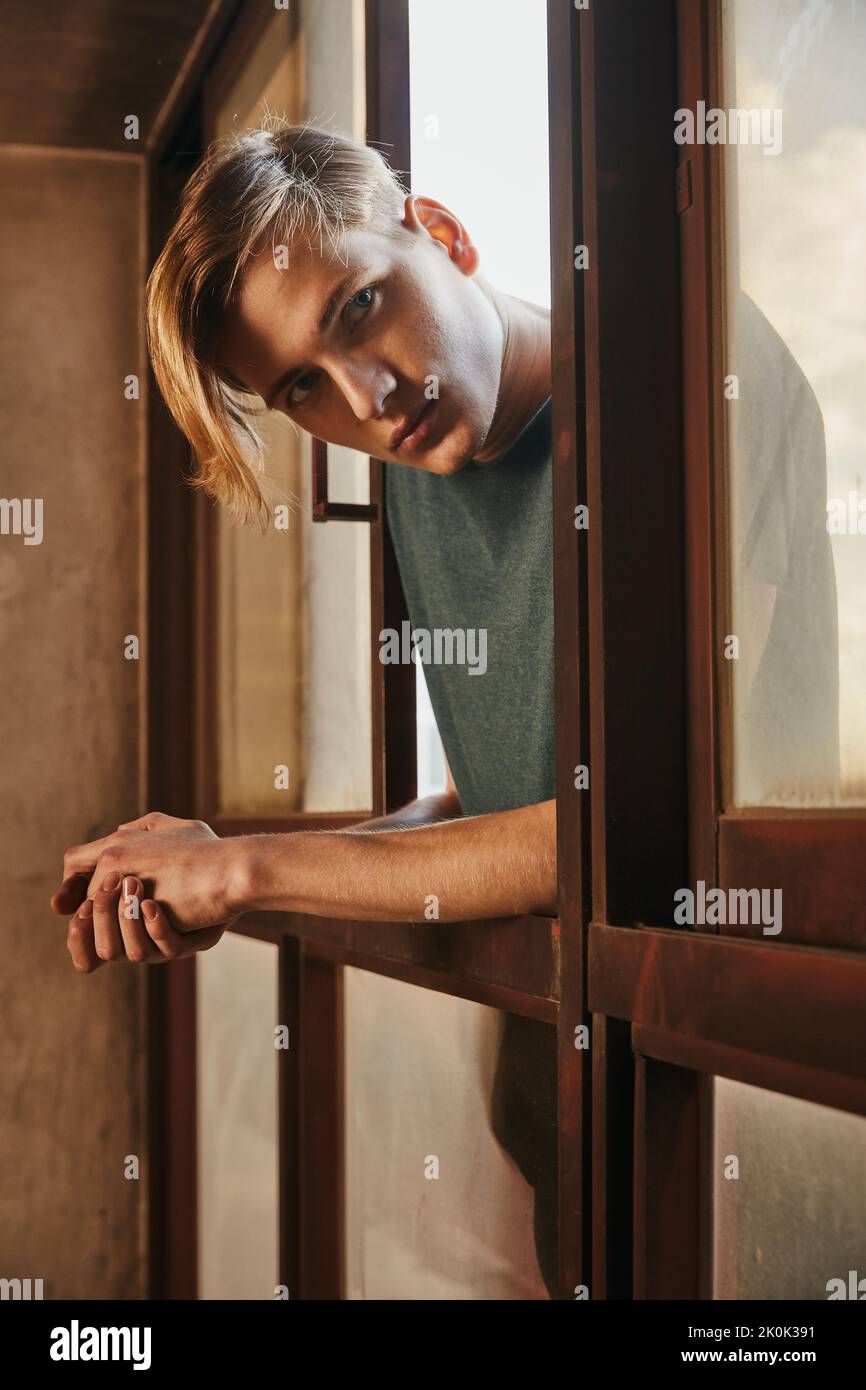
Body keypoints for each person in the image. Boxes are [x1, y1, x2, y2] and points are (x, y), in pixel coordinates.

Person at [49, 119, 559, 1295]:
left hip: (727, 1101)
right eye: (301, 390)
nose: (368, 399)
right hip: (551, 1149)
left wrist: (250, 873)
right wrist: (224, 860)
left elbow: (623, 839)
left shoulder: (665, 400)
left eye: (359, 308)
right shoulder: (423, 476)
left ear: (438, 232)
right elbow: (493, 804)